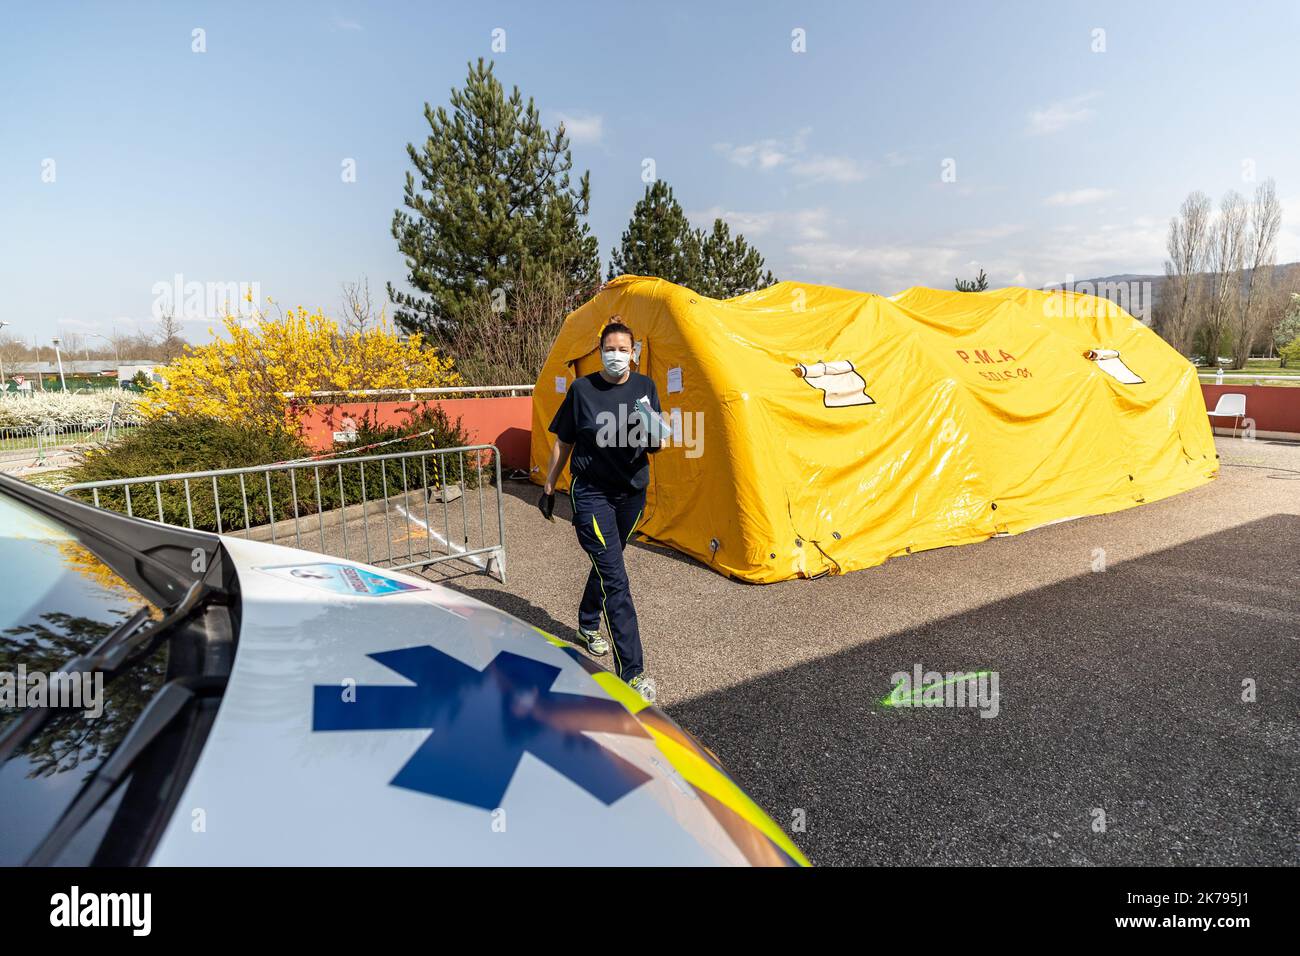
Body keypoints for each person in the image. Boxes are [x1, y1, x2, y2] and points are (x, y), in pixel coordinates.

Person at [539, 319, 664, 702]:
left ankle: (587, 624)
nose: (615, 355)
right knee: (615, 577)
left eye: (623, 349)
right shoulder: (582, 390)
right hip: (591, 493)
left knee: (608, 562)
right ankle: (633, 672)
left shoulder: (645, 387)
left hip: (631, 494)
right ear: (600, 351)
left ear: (634, 353)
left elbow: (657, 442)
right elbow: (563, 440)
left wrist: (653, 428)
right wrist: (548, 484)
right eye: (609, 348)